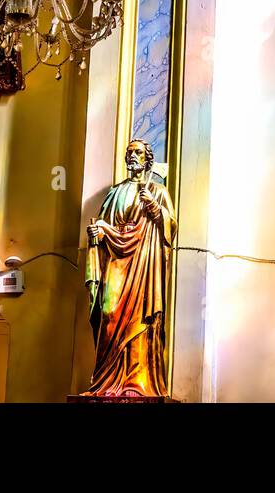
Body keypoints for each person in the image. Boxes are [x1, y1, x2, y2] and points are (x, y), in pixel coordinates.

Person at [83, 139, 177, 398]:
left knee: (140, 321)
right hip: (116, 261)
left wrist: (155, 208)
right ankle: (106, 382)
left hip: (143, 263)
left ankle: (137, 382)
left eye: (137, 152)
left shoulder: (157, 190)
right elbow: (104, 225)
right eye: (129, 153)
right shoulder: (115, 192)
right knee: (109, 313)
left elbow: (170, 228)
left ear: (147, 159)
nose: (132, 156)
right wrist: (98, 231)